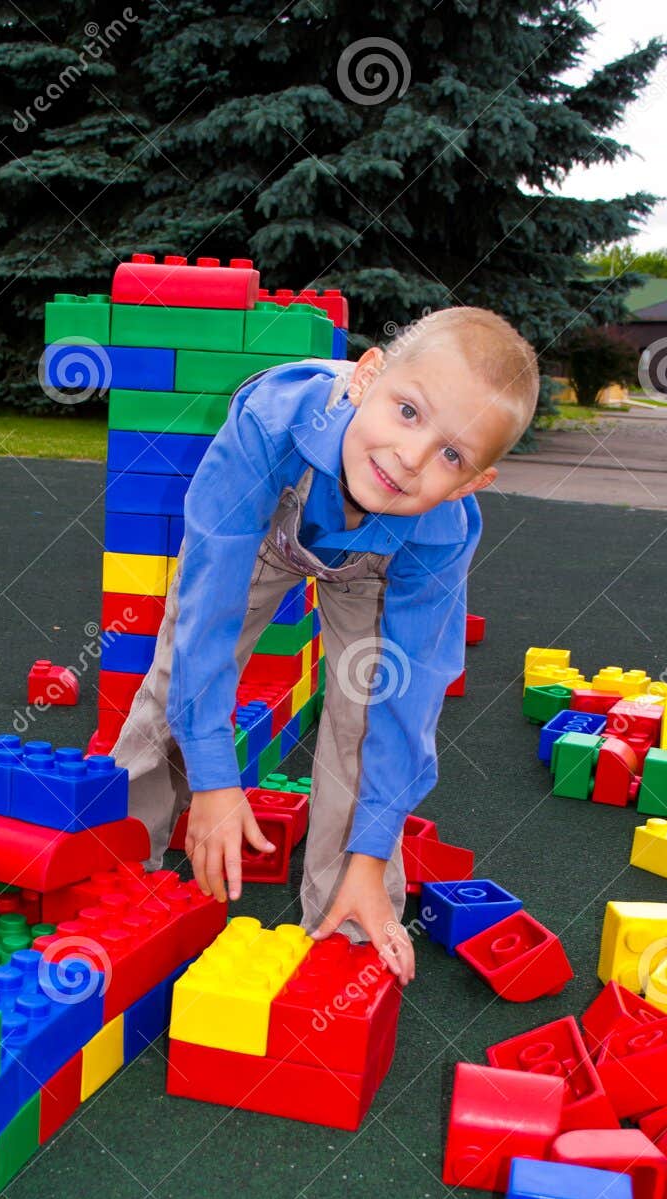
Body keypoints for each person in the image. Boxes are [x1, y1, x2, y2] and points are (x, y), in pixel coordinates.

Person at [111, 306, 540, 983]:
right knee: (180, 676)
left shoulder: (440, 534)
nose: (411, 456)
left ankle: (350, 910)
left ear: (471, 484)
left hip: (377, 560)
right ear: (365, 378)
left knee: (364, 711)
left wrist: (370, 856)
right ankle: (117, 862)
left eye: (450, 455)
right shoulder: (270, 422)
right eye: (407, 412)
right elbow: (207, 618)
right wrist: (217, 786)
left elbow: (404, 710)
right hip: (263, 526)